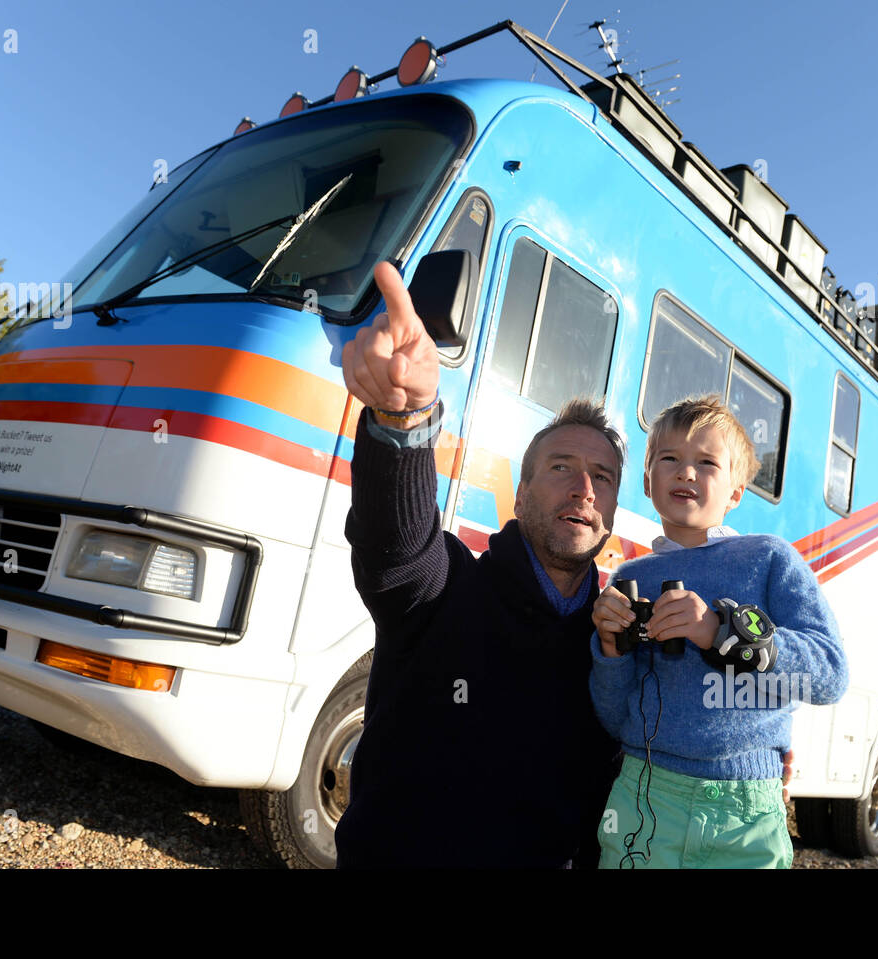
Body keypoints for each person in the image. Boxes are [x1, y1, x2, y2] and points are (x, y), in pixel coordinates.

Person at [334, 261, 624, 867]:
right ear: (518, 495)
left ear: (614, 514)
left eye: (603, 477)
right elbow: (397, 548)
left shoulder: (616, 644)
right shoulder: (446, 587)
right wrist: (402, 419)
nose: (585, 489)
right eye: (562, 467)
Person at [590, 394, 848, 869]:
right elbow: (614, 716)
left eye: (706, 462)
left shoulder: (769, 559)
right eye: (669, 459)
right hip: (644, 793)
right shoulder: (629, 576)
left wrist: (722, 632)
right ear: (649, 482)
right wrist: (610, 651)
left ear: (735, 492)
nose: (686, 472)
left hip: (747, 811)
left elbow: (830, 674)